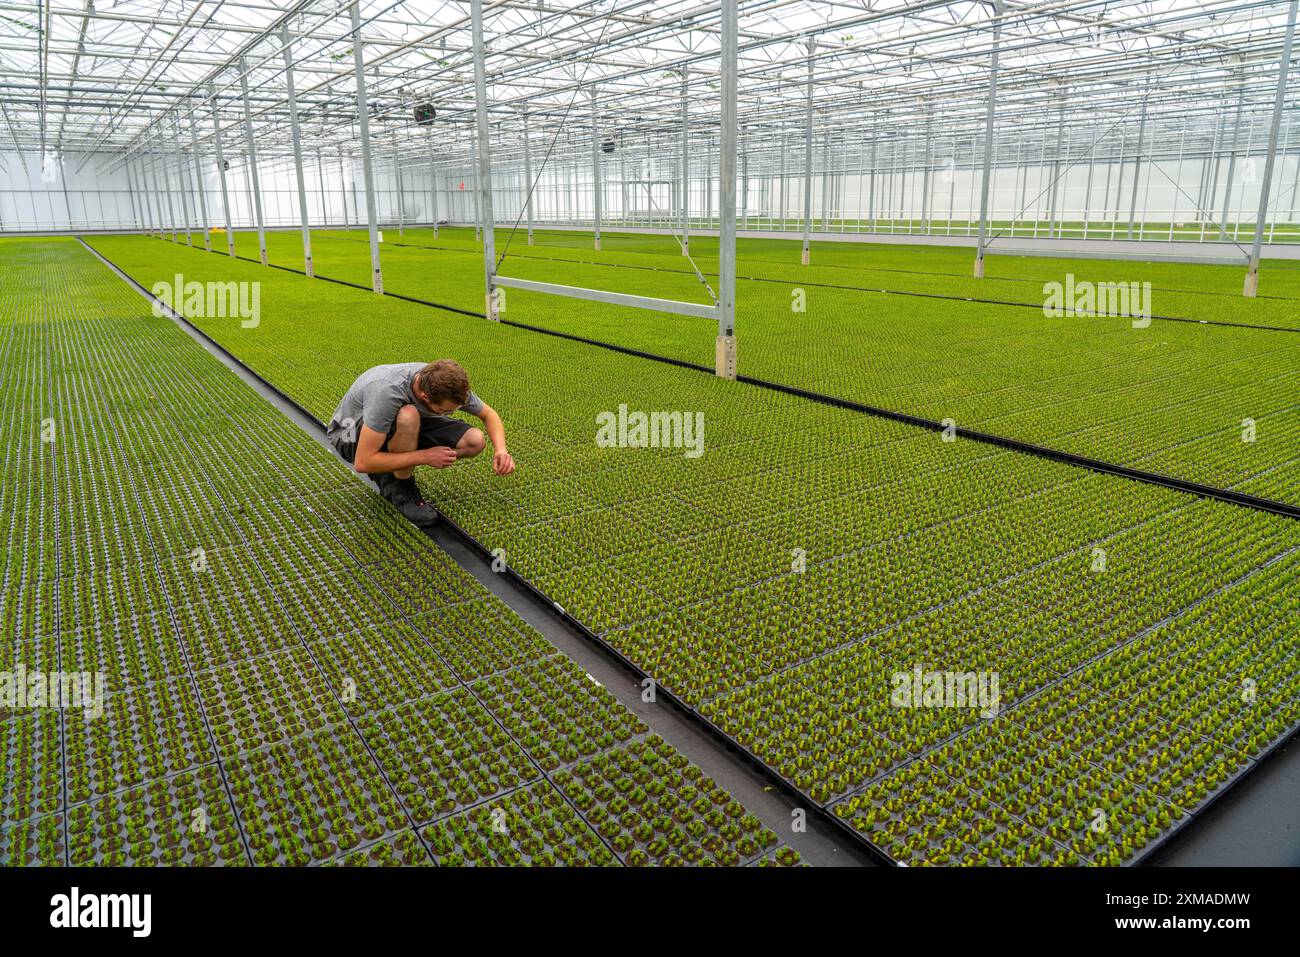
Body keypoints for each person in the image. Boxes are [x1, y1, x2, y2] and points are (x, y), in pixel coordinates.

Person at [326, 359, 514, 526]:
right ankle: (401, 486)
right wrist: (425, 456)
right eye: (445, 411)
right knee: (409, 415)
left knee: (474, 440)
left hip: (396, 422)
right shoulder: (388, 393)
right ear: (425, 397)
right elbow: (363, 462)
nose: (449, 415)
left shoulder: (447, 383)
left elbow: (489, 414)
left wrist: (501, 451)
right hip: (349, 437)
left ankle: (394, 462)